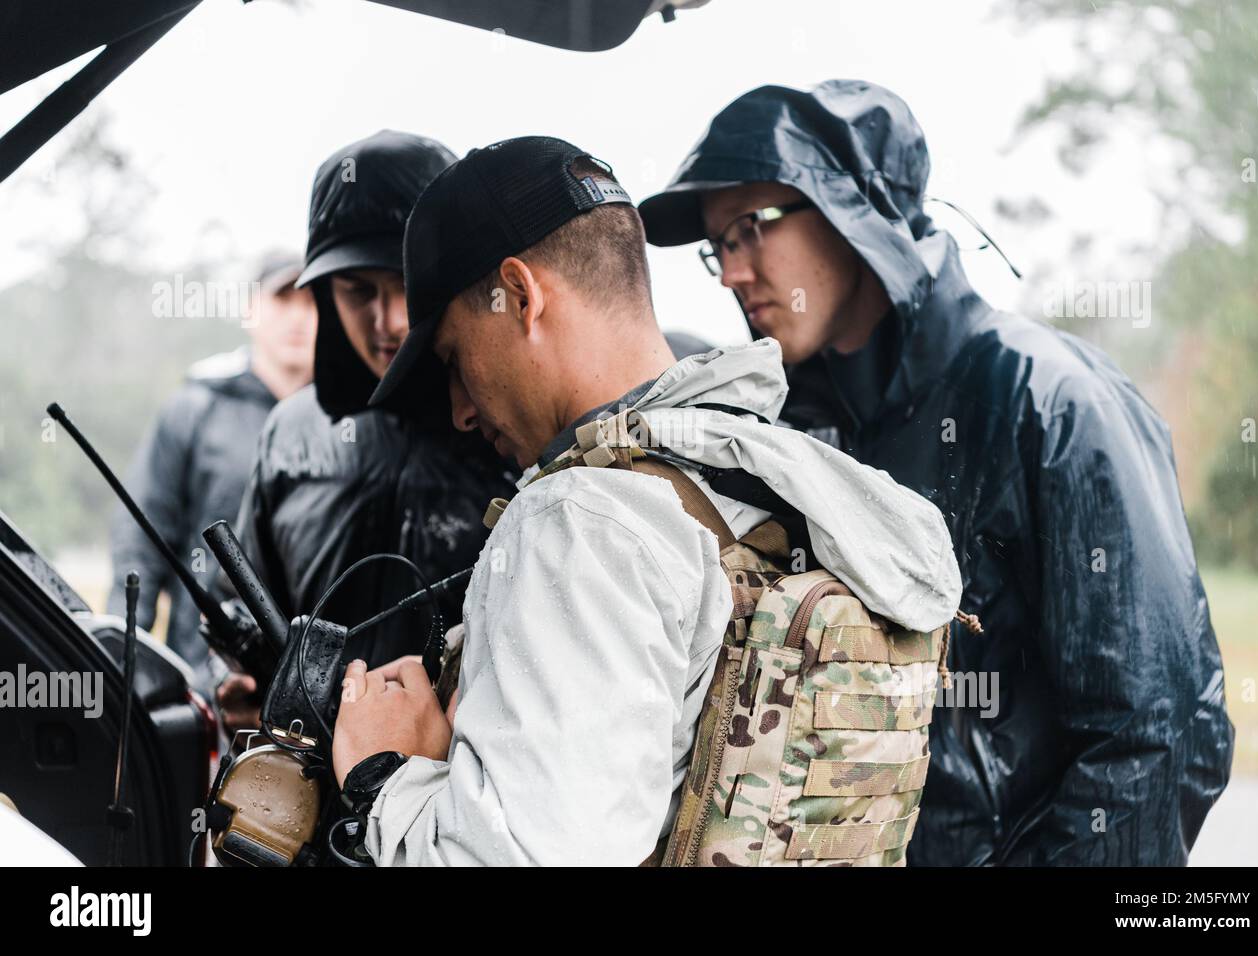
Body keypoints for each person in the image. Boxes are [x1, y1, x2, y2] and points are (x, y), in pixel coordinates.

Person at [637, 79, 1235, 866]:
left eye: (751, 229)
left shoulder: (1049, 404)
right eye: (720, 246)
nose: (729, 273)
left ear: (854, 210)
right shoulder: (786, 436)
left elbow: (1160, 734)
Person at [331, 135, 961, 866]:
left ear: (522, 296)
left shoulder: (581, 519)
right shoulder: (790, 480)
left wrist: (387, 774)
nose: (462, 410)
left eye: (454, 357)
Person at [214, 131, 520, 730]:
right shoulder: (289, 434)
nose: (387, 320)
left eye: (405, 282)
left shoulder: (510, 428)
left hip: (453, 795)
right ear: (325, 294)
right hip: (296, 793)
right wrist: (239, 684)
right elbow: (250, 602)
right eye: (357, 291)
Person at [109, 252, 315, 683]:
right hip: (198, 683)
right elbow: (141, 542)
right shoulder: (194, 409)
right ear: (250, 309)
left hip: (309, 691)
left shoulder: (345, 423)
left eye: (311, 301)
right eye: (283, 299)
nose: (298, 316)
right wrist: (123, 668)